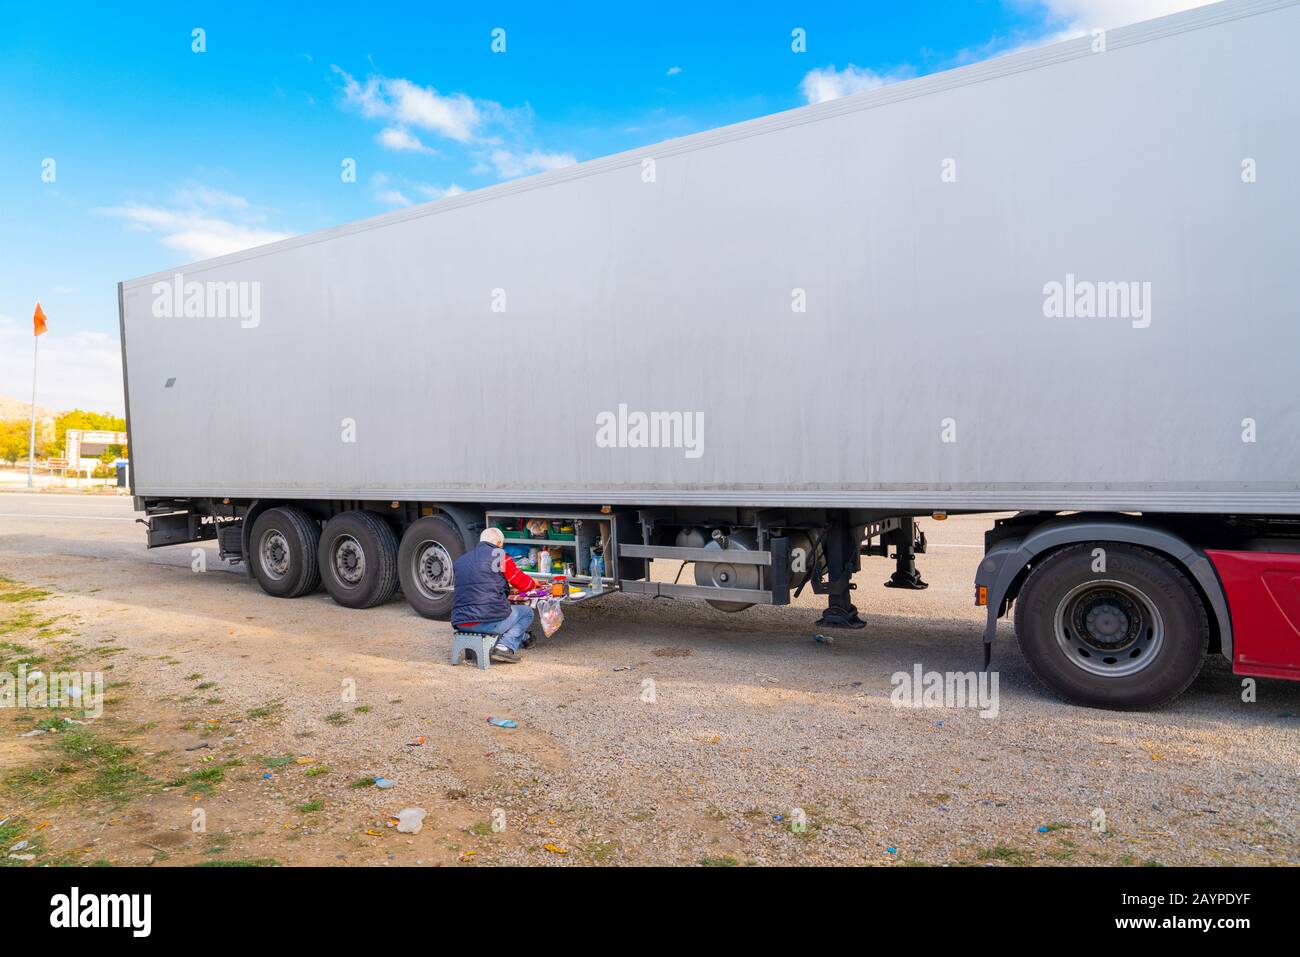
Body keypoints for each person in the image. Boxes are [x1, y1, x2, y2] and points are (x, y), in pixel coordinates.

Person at [451, 527, 540, 663]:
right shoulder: (499, 556)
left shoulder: (461, 561)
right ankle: (504, 647)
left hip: (461, 621)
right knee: (526, 612)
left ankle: (520, 639)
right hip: (488, 620)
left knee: (501, 610)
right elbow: (523, 585)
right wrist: (533, 583)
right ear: (498, 543)